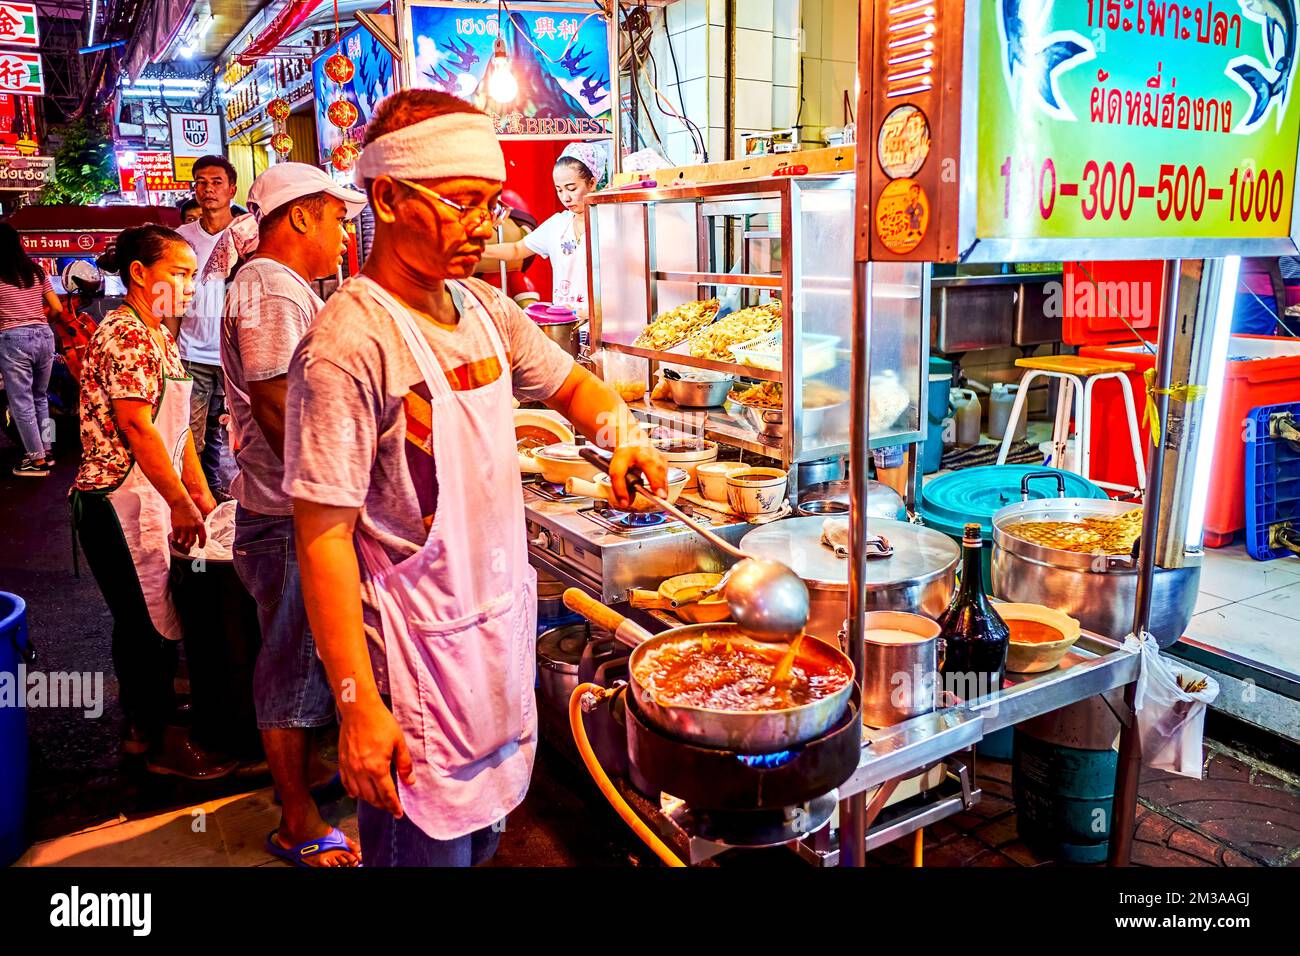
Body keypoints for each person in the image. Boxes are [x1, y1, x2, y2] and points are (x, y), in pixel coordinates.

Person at [283, 90, 668, 867]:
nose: (482, 226)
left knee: (483, 848)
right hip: (409, 676)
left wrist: (625, 437)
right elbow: (321, 541)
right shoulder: (348, 345)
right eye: (460, 204)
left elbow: (577, 390)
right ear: (387, 197)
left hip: (490, 650)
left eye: (489, 204)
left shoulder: (488, 312)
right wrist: (357, 710)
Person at [221, 162, 367, 867]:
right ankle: (297, 820)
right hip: (285, 515)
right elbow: (277, 401)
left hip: (287, 508)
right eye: (338, 218)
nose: (345, 233)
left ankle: (311, 781)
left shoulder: (279, 285)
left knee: (308, 652)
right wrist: (327, 499)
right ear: (302, 216)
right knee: (291, 661)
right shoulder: (272, 286)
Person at [71, 225, 236, 779]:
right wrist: (182, 504)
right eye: (179, 274)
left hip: (150, 496)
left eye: (193, 276)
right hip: (118, 500)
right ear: (140, 274)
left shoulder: (159, 334)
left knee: (154, 616)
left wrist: (205, 499)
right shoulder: (126, 333)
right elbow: (139, 429)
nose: (189, 287)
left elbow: (179, 435)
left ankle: (145, 727)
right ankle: (161, 743)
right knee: (145, 623)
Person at [174, 154, 239, 495]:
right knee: (190, 437)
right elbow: (169, 296)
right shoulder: (181, 238)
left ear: (232, 189)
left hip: (238, 357)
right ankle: (198, 501)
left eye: (216, 182)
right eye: (201, 182)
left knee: (244, 436)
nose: (208, 189)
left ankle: (249, 505)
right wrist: (168, 348)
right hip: (192, 353)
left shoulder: (250, 234)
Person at [481, 142, 606, 316]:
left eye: (571, 188)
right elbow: (516, 250)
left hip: (604, 327)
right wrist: (474, 249)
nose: (565, 197)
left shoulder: (610, 224)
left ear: (592, 183)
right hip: (565, 326)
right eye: (559, 190)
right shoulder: (557, 225)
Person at [0, 222, 63, 477]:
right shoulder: (36, 272)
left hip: (13, 339)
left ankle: (35, 460)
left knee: (21, 402)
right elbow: (57, 308)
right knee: (40, 397)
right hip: (45, 336)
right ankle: (47, 450)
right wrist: (39, 324)